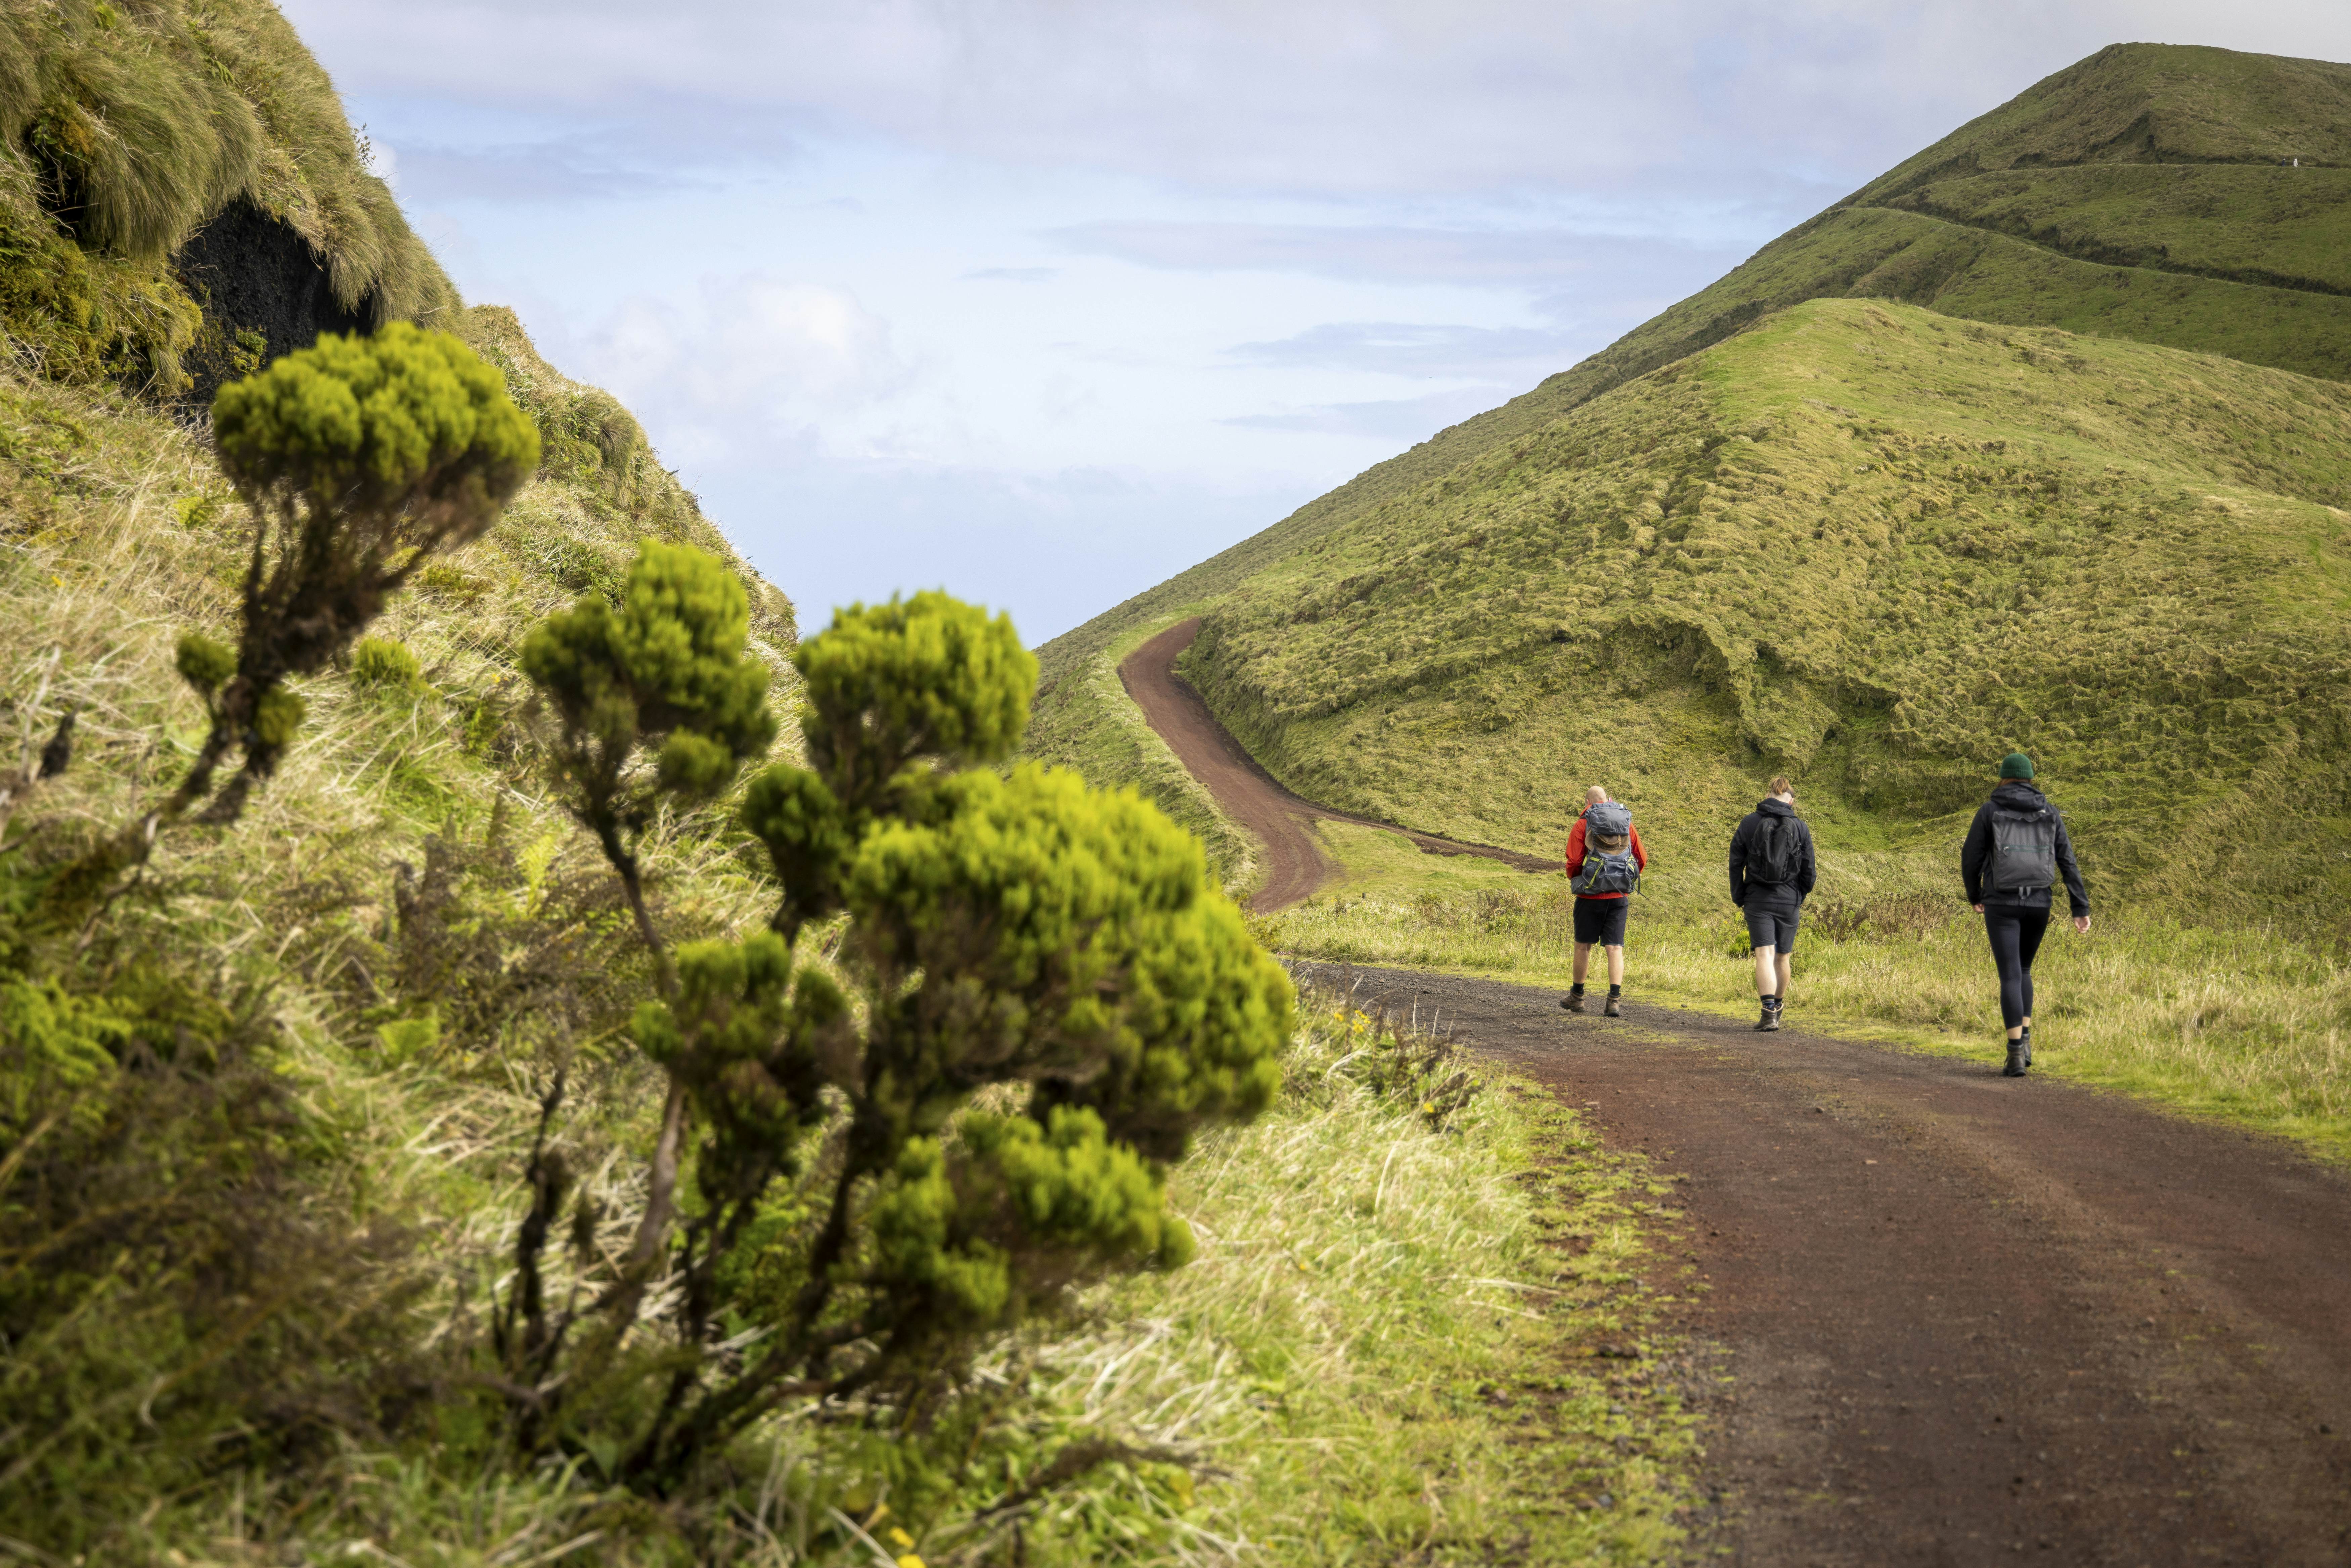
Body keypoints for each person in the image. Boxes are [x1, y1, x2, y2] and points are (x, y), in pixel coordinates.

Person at [1960, 752, 2091, 1078]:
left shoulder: (1989, 811)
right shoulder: (2049, 811)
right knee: (2025, 969)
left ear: (2003, 778)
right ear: (2031, 778)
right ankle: (2027, 1040)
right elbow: (2067, 860)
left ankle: (2015, 1053)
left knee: (2009, 975)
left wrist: (1975, 896)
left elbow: (1970, 857)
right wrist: (2080, 908)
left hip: (2001, 903)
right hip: (2039, 902)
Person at [1728, 775, 1816, 1032]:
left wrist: (1740, 895)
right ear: (1791, 801)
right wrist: (1800, 895)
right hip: (1790, 900)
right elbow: (1809, 871)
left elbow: (1736, 863)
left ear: (1769, 795)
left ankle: (1768, 1015)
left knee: (1764, 954)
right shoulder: (1800, 826)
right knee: (1783, 956)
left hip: (1757, 899)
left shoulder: (1749, 822)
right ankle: (1778, 1008)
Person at [1560, 785, 1646, 1018]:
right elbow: (1642, 858)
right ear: (1608, 799)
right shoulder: (1625, 822)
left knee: (1583, 946)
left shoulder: (1582, 824)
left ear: (1587, 803)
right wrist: (1622, 879)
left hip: (1590, 896)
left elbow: (1574, 861)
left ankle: (1577, 998)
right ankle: (1614, 1002)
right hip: (1620, 896)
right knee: (1615, 948)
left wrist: (1580, 878)